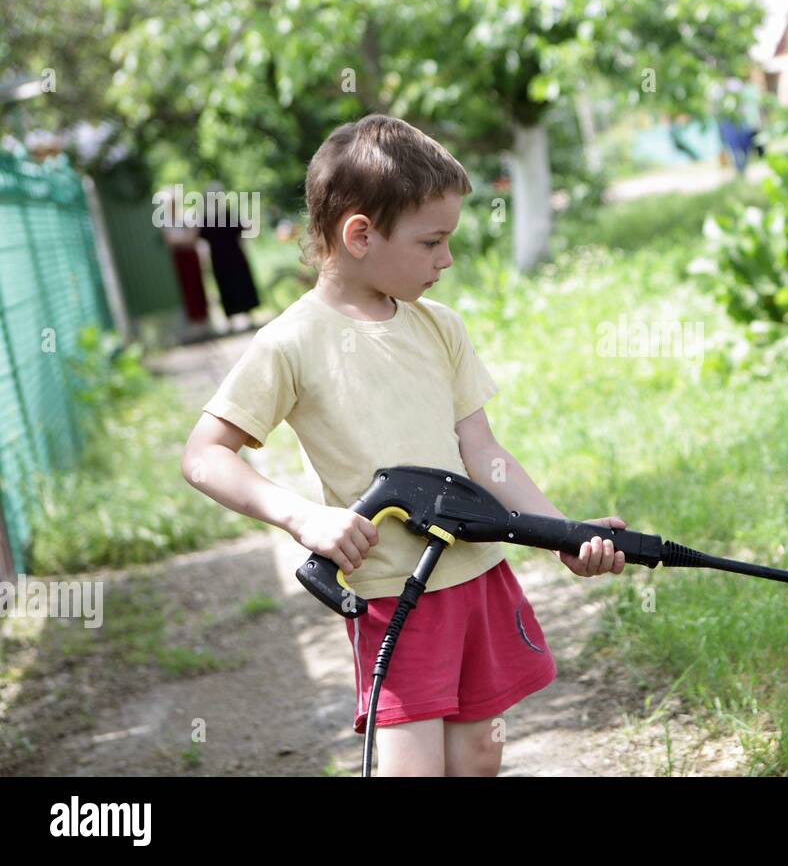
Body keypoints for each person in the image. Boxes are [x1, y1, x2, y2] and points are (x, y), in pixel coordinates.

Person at [179, 115, 626, 776]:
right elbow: (204, 456)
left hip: (476, 574)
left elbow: (484, 451)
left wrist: (560, 531)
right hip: (395, 596)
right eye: (432, 242)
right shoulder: (291, 343)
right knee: (413, 767)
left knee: (478, 755)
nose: (446, 260)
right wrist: (303, 517)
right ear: (359, 234)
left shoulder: (438, 327)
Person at [197, 180, 261, 332]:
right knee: (232, 285)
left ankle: (241, 317)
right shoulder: (218, 216)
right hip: (228, 256)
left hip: (225, 257)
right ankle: (240, 316)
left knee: (235, 284)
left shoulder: (216, 216)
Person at [156, 186, 212, 343]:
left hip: (190, 256)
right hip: (181, 258)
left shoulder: (186, 216)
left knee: (198, 286)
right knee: (187, 288)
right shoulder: (167, 222)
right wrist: (184, 240)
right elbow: (171, 240)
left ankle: (204, 319)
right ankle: (194, 322)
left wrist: (184, 240)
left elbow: (192, 236)